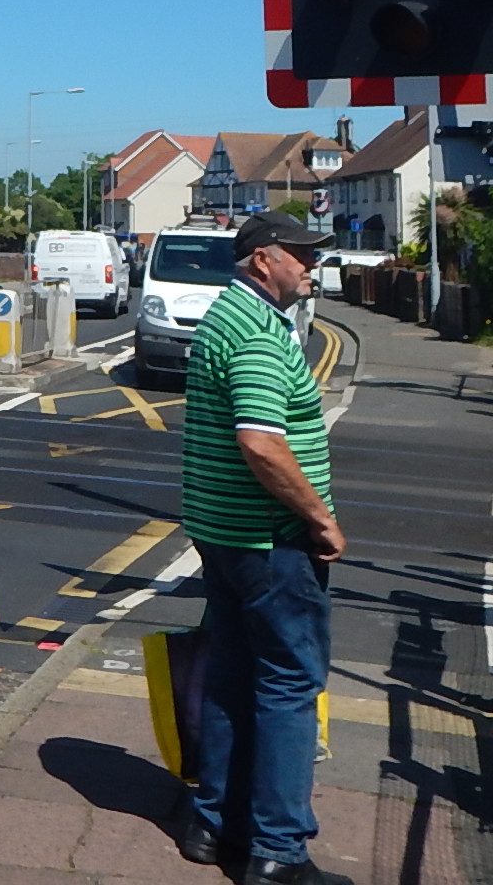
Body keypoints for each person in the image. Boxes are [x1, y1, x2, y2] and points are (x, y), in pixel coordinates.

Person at [176, 210, 347, 885]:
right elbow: (261, 440)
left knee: (231, 674)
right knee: (288, 685)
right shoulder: (255, 334)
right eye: (300, 253)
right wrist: (320, 521)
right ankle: (279, 851)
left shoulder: (228, 316)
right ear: (261, 262)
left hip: (221, 532)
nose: (311, 265)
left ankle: (212, 823)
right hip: (267, 538)